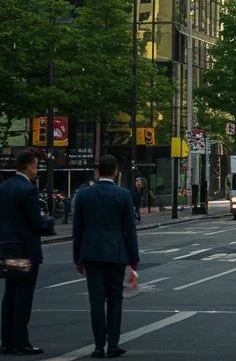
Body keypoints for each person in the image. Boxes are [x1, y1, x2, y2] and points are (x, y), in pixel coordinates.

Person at [72, 154, 139, 360]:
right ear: (117, 171)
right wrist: (133, 257)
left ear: (97, 171)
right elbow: (130, 228)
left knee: (96, 301)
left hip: (91, 253)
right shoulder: (123, 194)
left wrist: (78, 258)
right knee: (115, 300)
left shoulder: (84, 194)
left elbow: (78, 228)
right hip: (117, 253)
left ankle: (98, 346)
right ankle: (113, 344)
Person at [0, 149, 49, 357]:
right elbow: (36, 222)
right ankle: (21, 342)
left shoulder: (4, 187)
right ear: (29, 166)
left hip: (7, 247)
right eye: (36, 167)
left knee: (10, 293)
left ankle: (7, 341)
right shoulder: (28, 190)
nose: (36, 171)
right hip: (25, 250)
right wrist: (49, 223)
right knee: (23, 296)